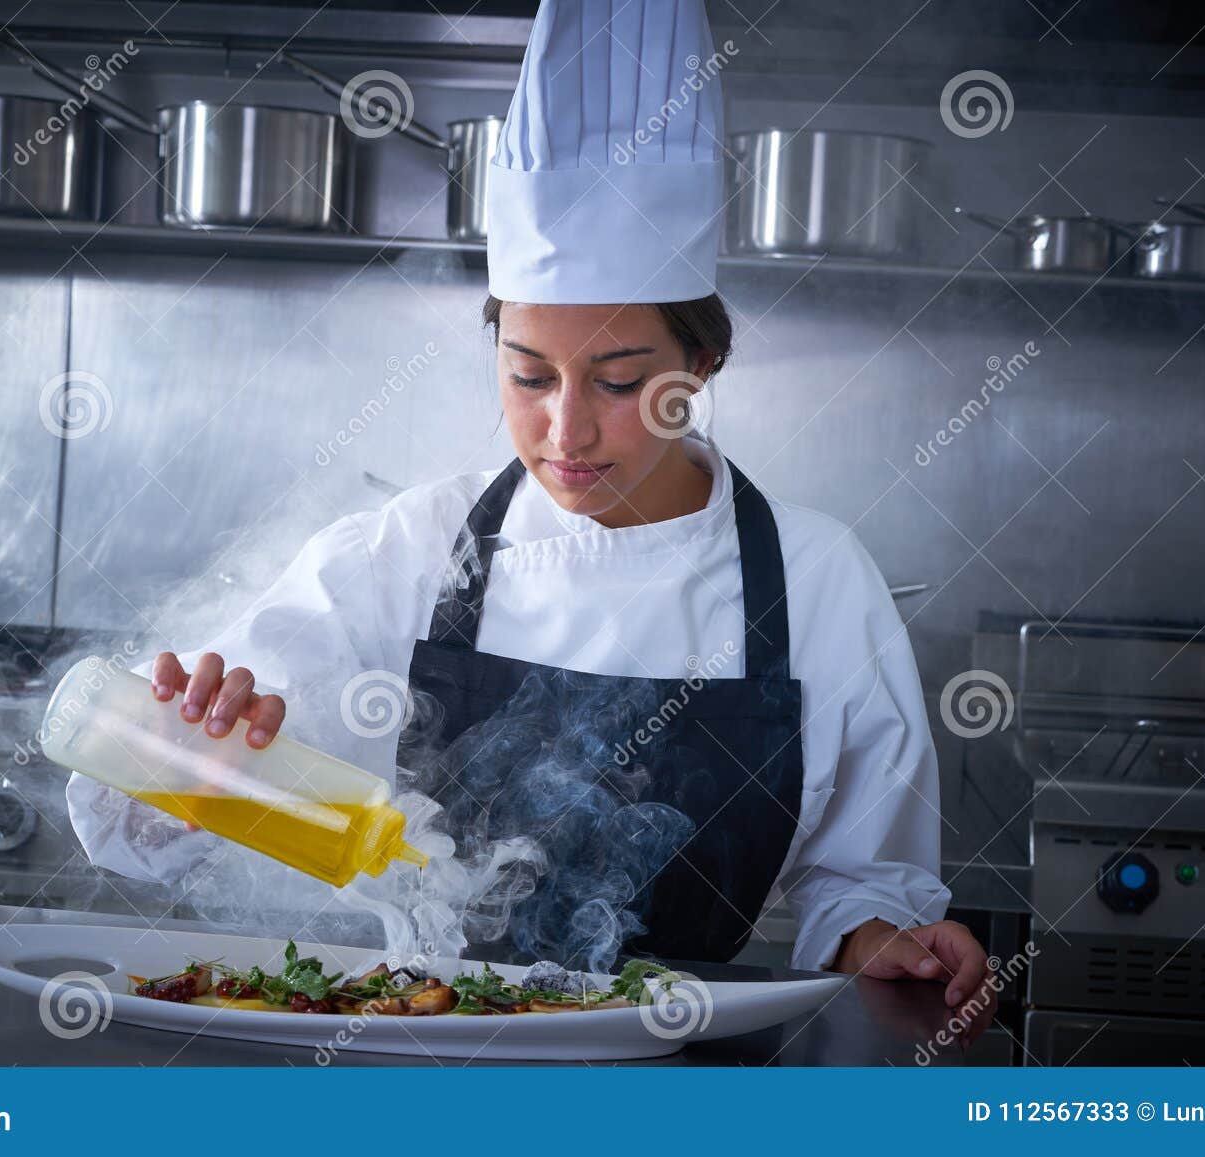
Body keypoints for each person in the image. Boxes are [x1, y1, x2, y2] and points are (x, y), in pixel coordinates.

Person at [67, 0, 993, 1039]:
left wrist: (886, 938)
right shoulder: (403, 555)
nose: (566, 430)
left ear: (704, 363)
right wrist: (187, 744)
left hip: (680, 1072)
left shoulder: (816, 579)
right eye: (526, 375)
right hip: (411, 1056)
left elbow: (856, 884)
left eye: (618, 379)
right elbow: (143, 817)